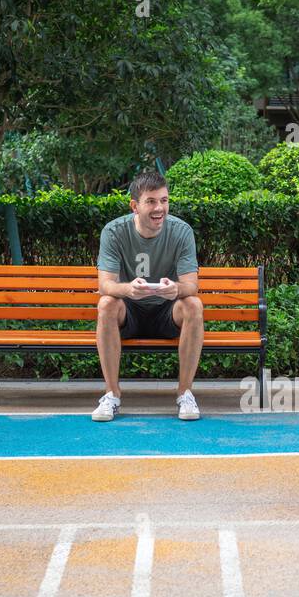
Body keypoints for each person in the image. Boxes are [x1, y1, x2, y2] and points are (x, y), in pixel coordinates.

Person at [92, 170, 203, 421]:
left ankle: (185, 394)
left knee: (193, 305)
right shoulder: (114, 231)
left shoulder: (181, 231)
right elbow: (105, 285)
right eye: (151, 201)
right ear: (135, 206)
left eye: (164, 200)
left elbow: (191, 285)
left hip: (167, 311)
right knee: (107, 303)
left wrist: (175, 289)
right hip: (129, 311)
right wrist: (128, 289)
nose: (159, 208)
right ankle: (112, 395)